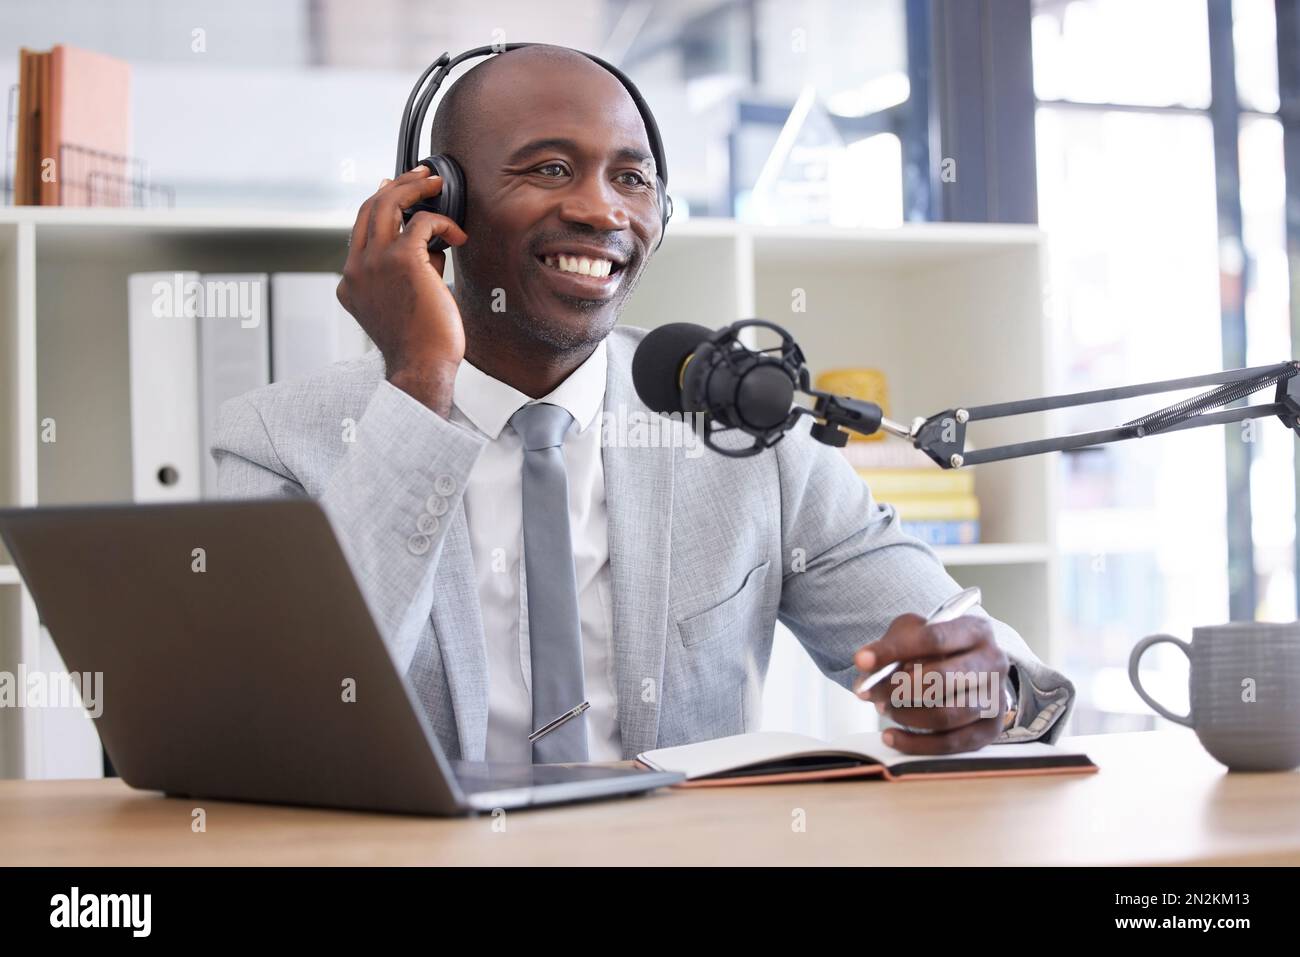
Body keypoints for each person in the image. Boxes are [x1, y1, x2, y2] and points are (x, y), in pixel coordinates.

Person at [213, 44, 1073, 765]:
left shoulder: (746, 430)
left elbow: (991, 668)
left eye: (633, 178)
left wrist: (976, 688)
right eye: (551, 167)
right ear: (439, 201)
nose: (600, 209)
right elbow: (277, 723)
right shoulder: (278, 440)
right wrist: (418, 387)